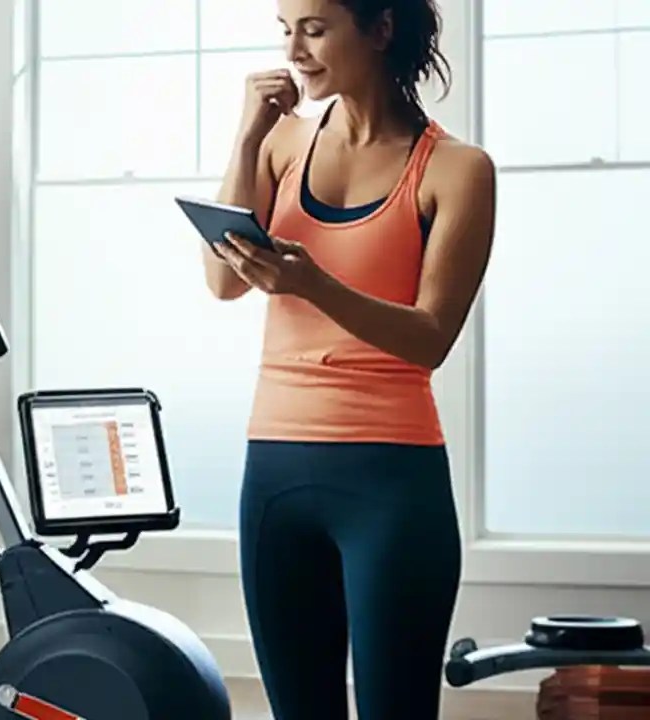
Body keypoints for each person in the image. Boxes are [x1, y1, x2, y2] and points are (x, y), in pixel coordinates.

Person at [199, 0, 496, 718]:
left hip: (390, 481)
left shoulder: (456, 170)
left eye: (315, 28)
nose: (294, 49)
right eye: (285, 29)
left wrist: (314, 284)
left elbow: (430, 337)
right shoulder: (281, 144)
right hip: (273, 468)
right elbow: (222, 281)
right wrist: (245, 136)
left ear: (381, 29)